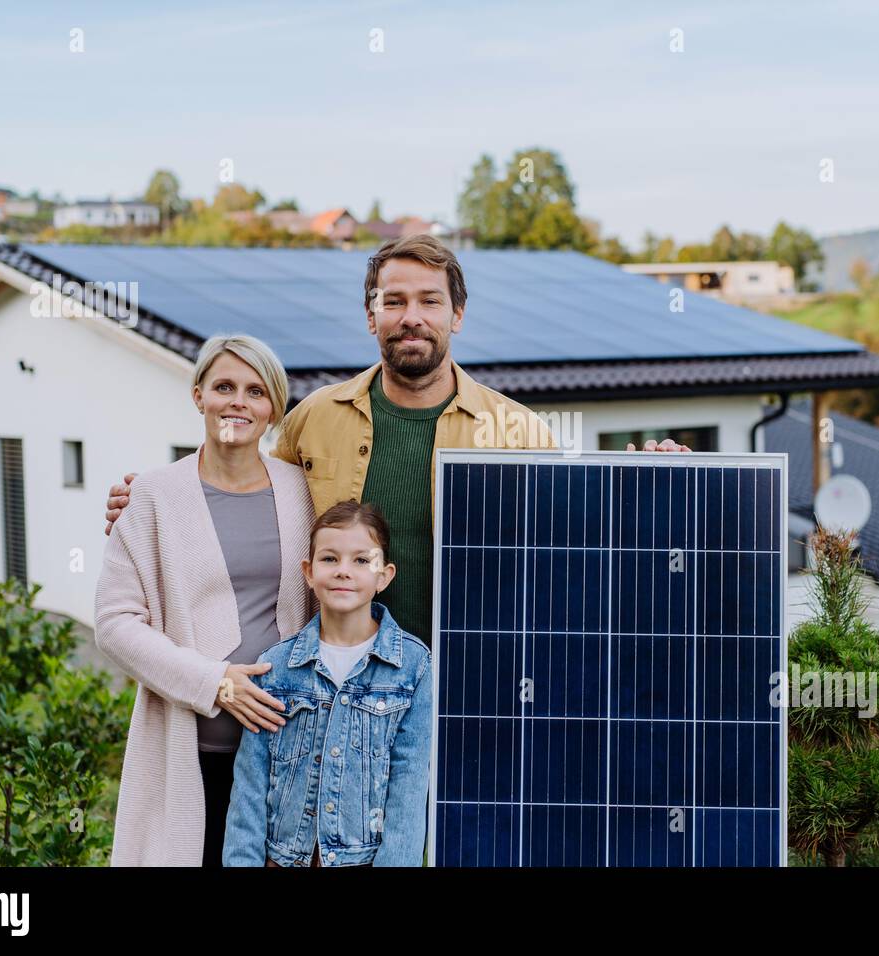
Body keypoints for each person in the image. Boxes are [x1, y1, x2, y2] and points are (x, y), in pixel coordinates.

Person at [105, 235, 690, 646]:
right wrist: (160, 503)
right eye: (394, 301)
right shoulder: (314, 418)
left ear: (456, 315)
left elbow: (573, 545)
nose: (412, 316)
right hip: (337, 687)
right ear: (371, 316)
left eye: (430, 301)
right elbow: (252, 500)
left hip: (474, 680)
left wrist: (657, 487)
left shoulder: (518, 431)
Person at [94, 334, 314, 866]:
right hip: (193, 748)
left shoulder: (303, 490)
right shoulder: (152, 495)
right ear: (198, 396)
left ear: (273, 410)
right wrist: (215, 682)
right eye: (224, 386)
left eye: (255, 391)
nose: (238, 401)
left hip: (288, 749)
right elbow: (115, 623)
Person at [223, 500, 431, 867]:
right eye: (330, 559)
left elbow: (409, 793)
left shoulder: (413, 668)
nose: (343, 572)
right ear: (308, 572)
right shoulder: (275, 668)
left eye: (362, 560)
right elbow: (249, 790)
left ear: (384, 575)